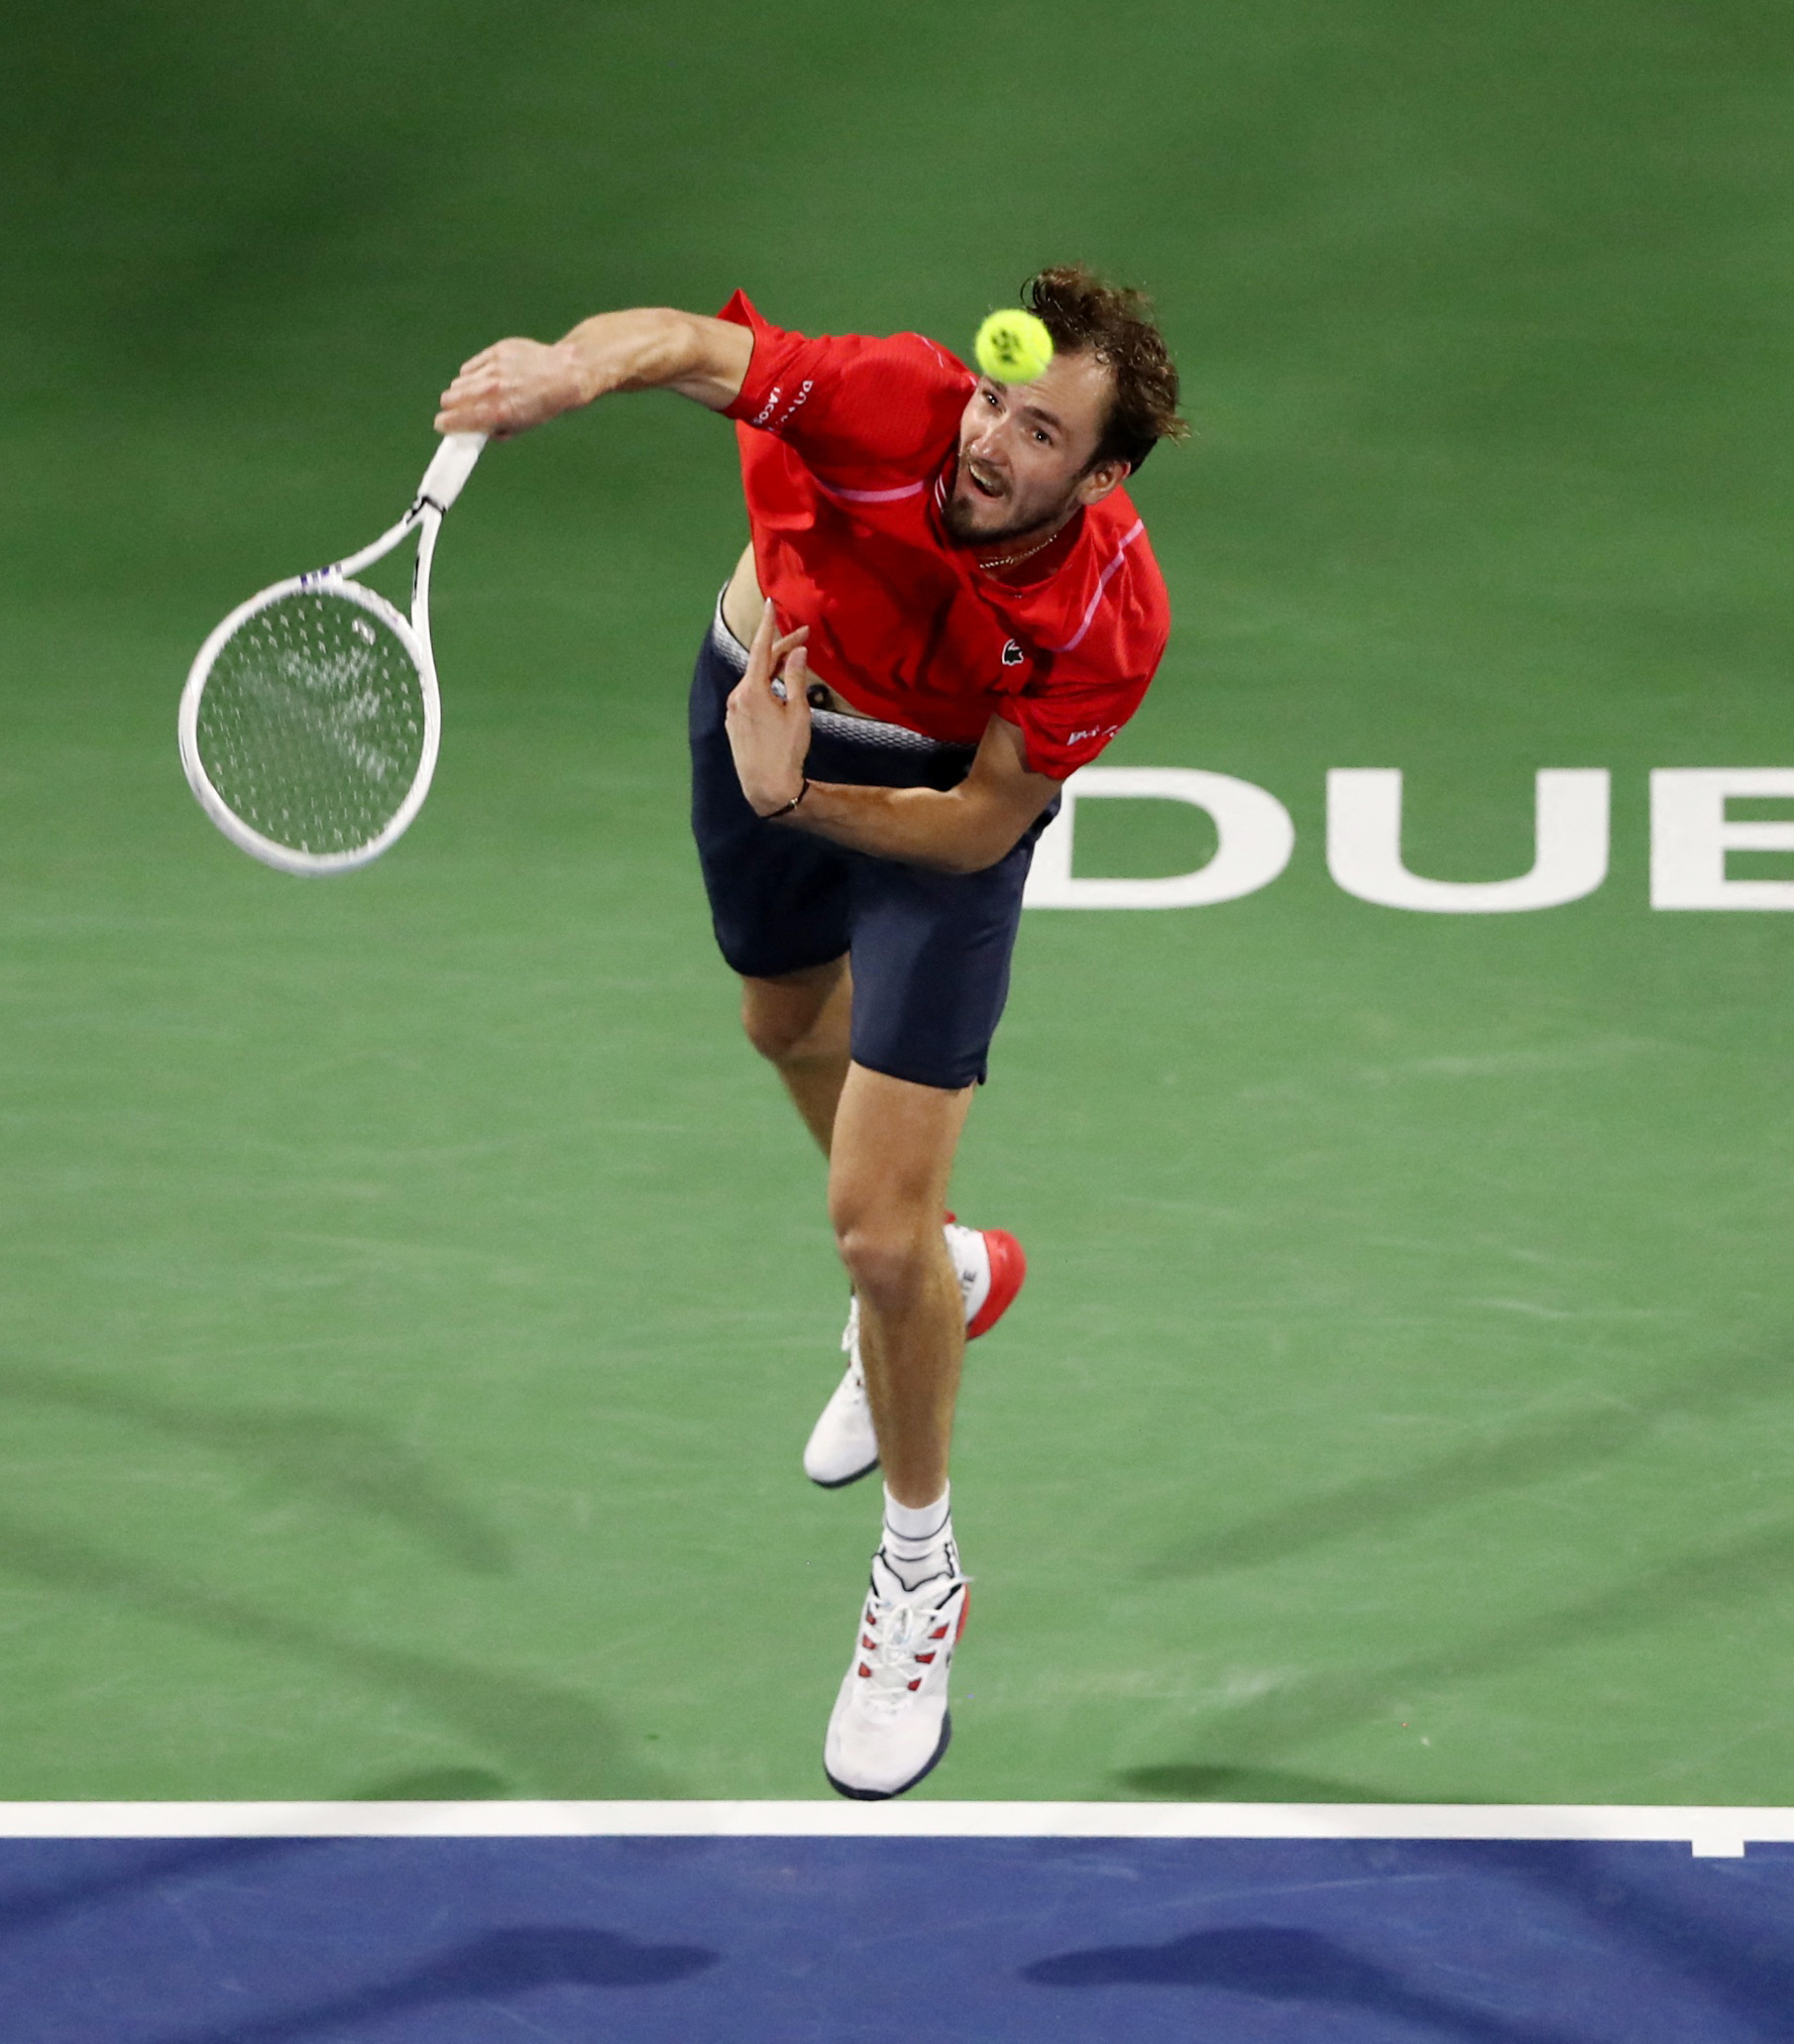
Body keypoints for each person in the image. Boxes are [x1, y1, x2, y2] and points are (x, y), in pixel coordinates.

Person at [434, 269, 1184, 1798]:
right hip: (762, 693)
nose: (990, 440)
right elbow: (695, 348)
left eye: (1040, 433)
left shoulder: (1109, 612)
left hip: (915, 800)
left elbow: (981, 822)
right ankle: (946, 1271)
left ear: (1101, 477)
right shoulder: (894, 402)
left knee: (868, 1236)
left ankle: (921, 1568)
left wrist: (798, 797)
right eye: (996, 397)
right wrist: (570, 374)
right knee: (780, 1024)